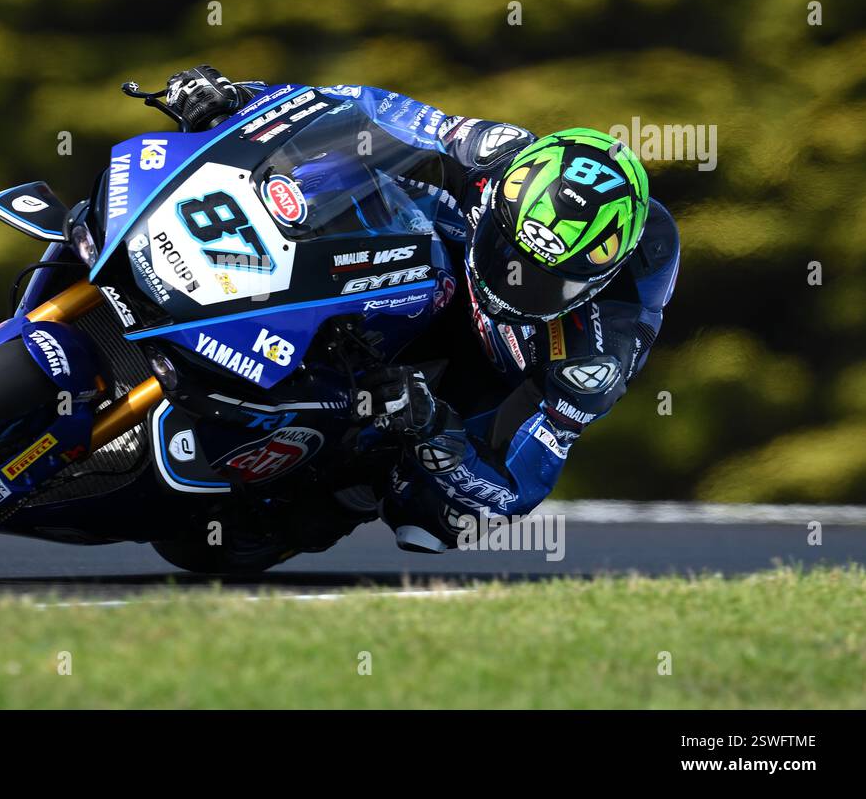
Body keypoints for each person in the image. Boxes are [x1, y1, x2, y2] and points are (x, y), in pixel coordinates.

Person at [162, 65, 681, 553]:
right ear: (502, 196)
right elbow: (363, 112)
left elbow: (518, 489)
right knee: (341, 166)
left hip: (492, 371)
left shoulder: (594, 357)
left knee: (436, 521)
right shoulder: (495, 154)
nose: (513, 284)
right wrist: (237, 101)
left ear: (595, 283)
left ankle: (341, 484)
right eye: (508, 255)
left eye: (546, 284)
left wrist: (433, 424)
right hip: (437, 249)